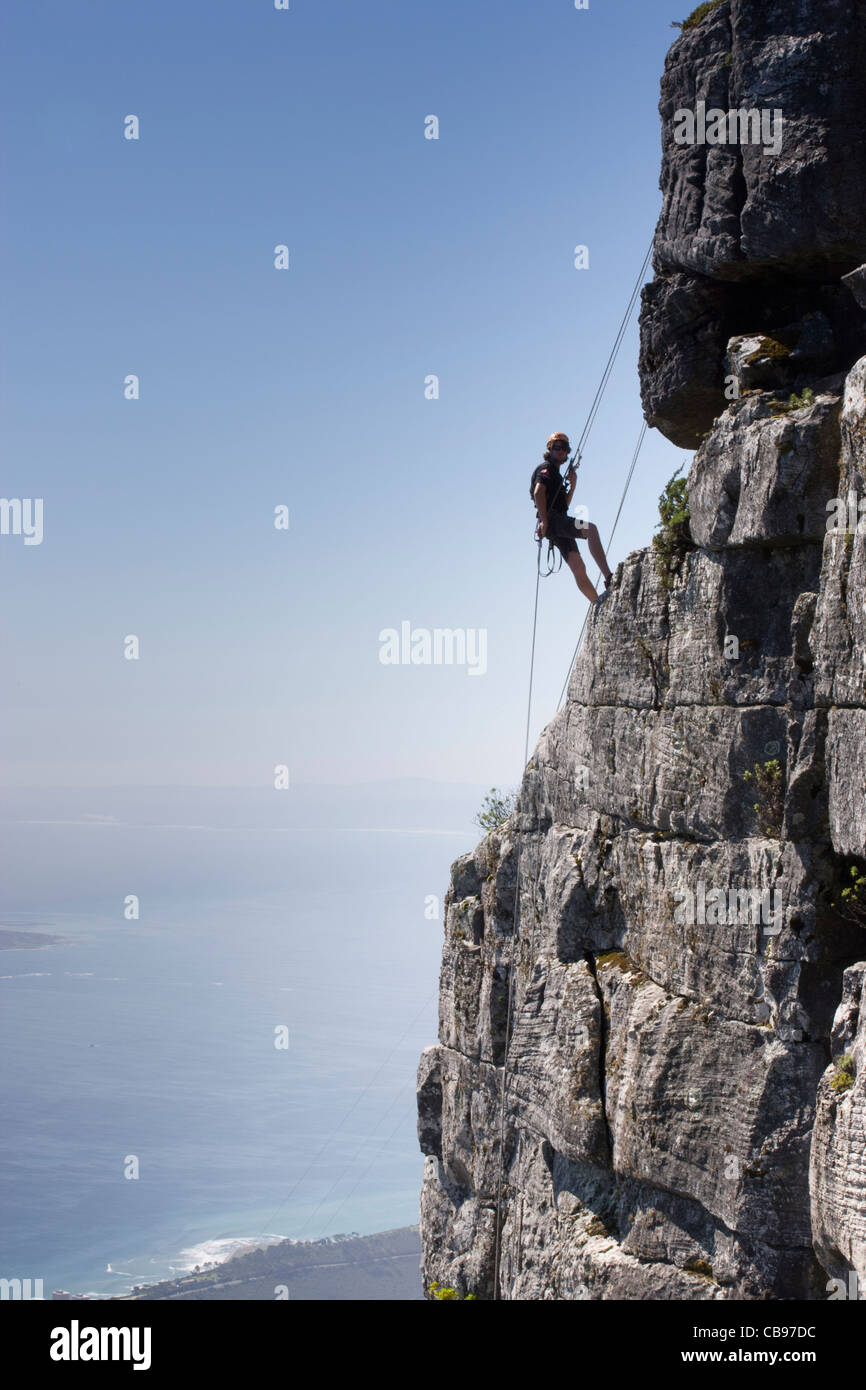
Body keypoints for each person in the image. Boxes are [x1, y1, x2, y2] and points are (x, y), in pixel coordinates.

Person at [530, 432, 613, 602]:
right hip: (552, 520)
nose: (560, 451)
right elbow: (538, 492)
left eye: (564, 448)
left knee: (578, 566)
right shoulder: (546, 469)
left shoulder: (556, 474)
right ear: (550, 449)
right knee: (591, 529)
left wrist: (573, 486)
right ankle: (609, 577)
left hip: (554, 521)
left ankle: (596, 603)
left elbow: (564, 505)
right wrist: (545, 521)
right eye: (556, 447)